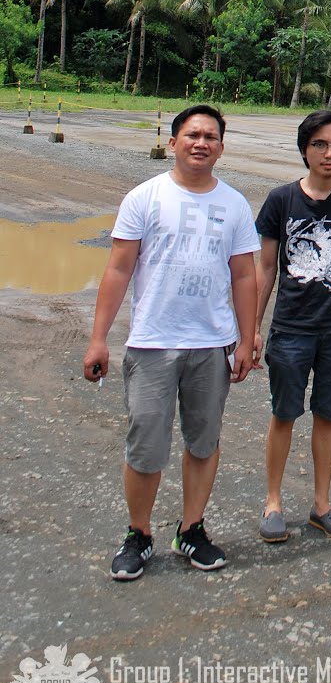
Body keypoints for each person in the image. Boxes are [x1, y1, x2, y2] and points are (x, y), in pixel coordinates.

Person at [83, 104, 259, 579]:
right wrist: (99, 338)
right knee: (146, 444)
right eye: (192, 134)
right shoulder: (145, 197)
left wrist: (247, 338)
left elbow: (245, 275)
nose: (201, 143)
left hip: (212, 344)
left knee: (203, 441)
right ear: (173, 141)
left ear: (222, 146)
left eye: (211, 137)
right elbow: (118, 269)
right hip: (152, 342)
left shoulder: (235, 204)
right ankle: (138, 535)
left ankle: (191, 529)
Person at [253, 109, 331, 544]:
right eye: (320, 145)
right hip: (290, 328)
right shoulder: (280, 200)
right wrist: (252, 327)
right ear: (305, 149)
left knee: (328, 416)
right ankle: (273, 502)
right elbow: (266, 268)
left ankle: (321, 504)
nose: (330, 153)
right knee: (284, 413)